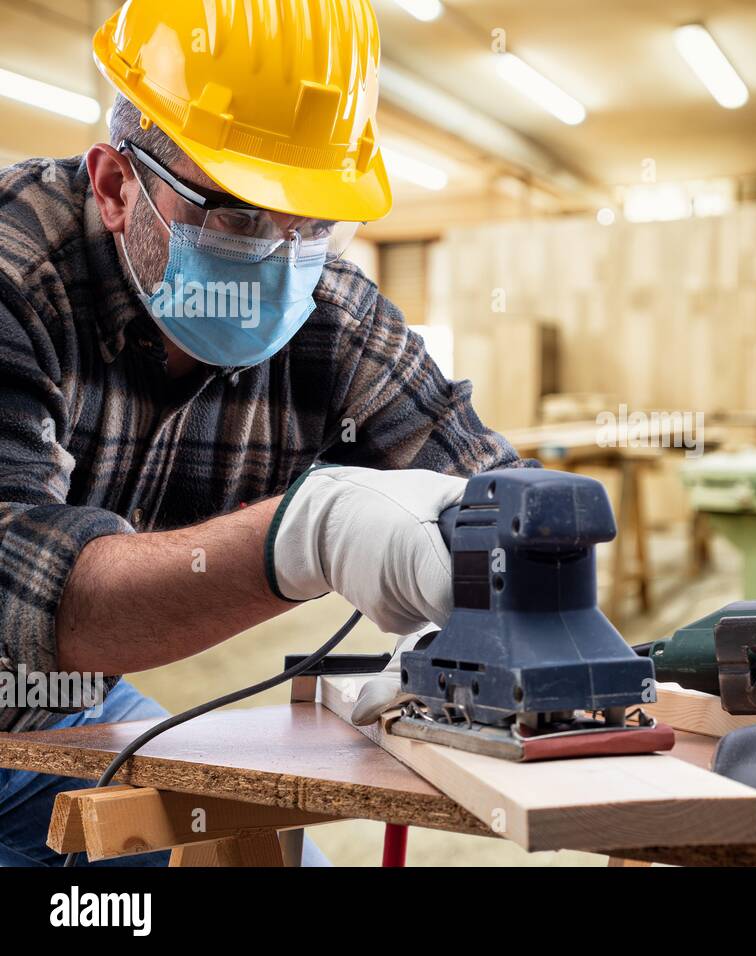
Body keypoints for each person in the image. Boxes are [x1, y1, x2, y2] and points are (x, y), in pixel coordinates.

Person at [0, 0, 521, 865]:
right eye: (240, 215)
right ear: (115, 185)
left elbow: (501, 493)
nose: (282, 259)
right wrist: (303, 537)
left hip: (56, 713)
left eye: (312, 221)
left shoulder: (331, 318)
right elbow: (16, 594)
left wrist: (477, 604)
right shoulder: (17, 273)